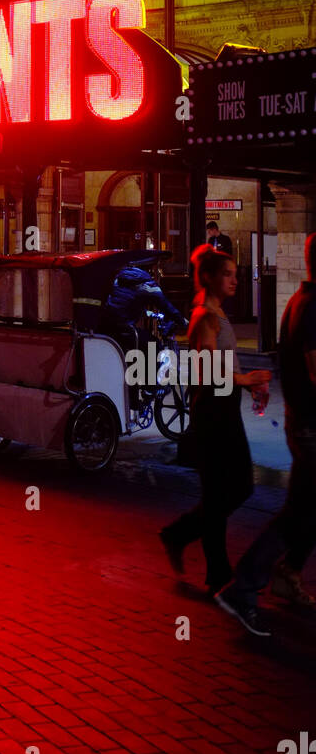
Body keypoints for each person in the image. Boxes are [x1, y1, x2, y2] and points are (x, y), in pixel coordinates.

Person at [215, 232, 316, 636]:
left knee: (307, 509)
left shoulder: (303, 303)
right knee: (300, 513)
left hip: (304, 423)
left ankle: (284, 575)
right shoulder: (310, 308)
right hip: (310, 426)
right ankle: (245, 586)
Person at [159, 245, 271, 598]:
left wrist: (247, 384)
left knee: (227, 491)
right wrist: (244, 380)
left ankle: (197, 553)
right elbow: (207, 368)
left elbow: (224, 363)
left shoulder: (217, 314)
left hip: (223, 407)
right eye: (228, 274)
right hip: (212, 411)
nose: (236, 280)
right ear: (209, 277)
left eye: (236, 274)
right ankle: (208, 563)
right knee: (231, 489)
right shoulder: (204, 316)